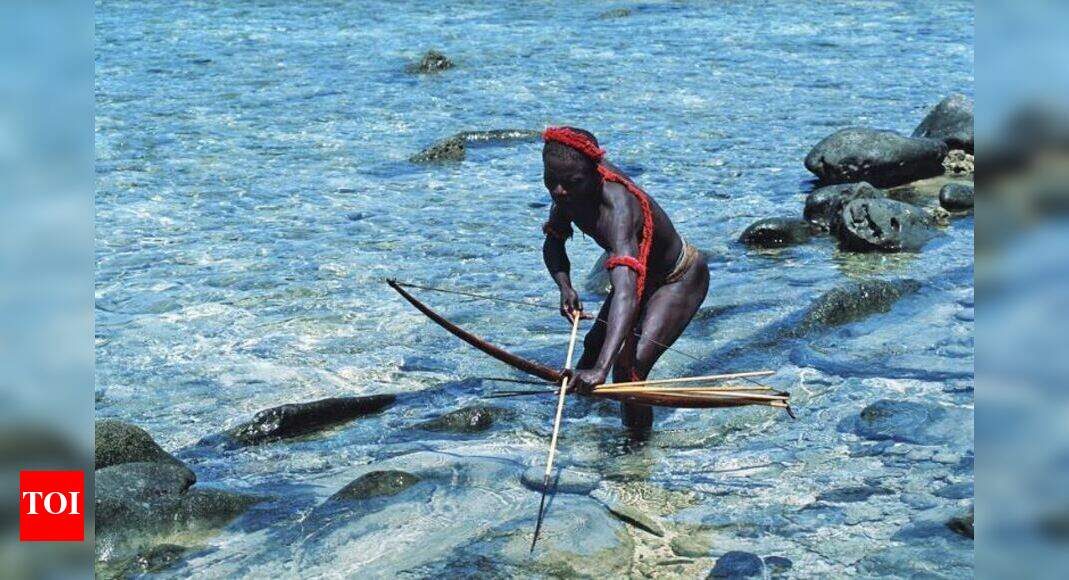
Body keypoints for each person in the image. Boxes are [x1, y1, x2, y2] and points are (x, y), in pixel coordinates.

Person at [541, 126, 710, 433]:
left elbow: (626, 293)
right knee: (593, 346)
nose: (559, 192)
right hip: (640, 277)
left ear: (593, 174)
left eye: (570, 183)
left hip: (677, 278)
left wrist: (602, 371)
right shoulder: (568, 188)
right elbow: (554, 242)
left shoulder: (618, 207)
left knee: (628, 369)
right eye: (551, 181)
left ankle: (635, 454)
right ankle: (582, 427)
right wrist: (565, 287)